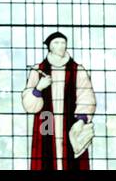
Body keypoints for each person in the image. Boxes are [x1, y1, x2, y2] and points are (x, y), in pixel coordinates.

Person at [20, 31, 95, 170]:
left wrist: (81, 120)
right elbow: (29, 104)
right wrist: (39, 88)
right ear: (50, 47)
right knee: (45, 154)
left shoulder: (78, 70)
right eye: (56, 43)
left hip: (71, 120)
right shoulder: (38, 70)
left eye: (63, 43)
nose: (61, 46)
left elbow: (86, 95)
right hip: (46, 120)